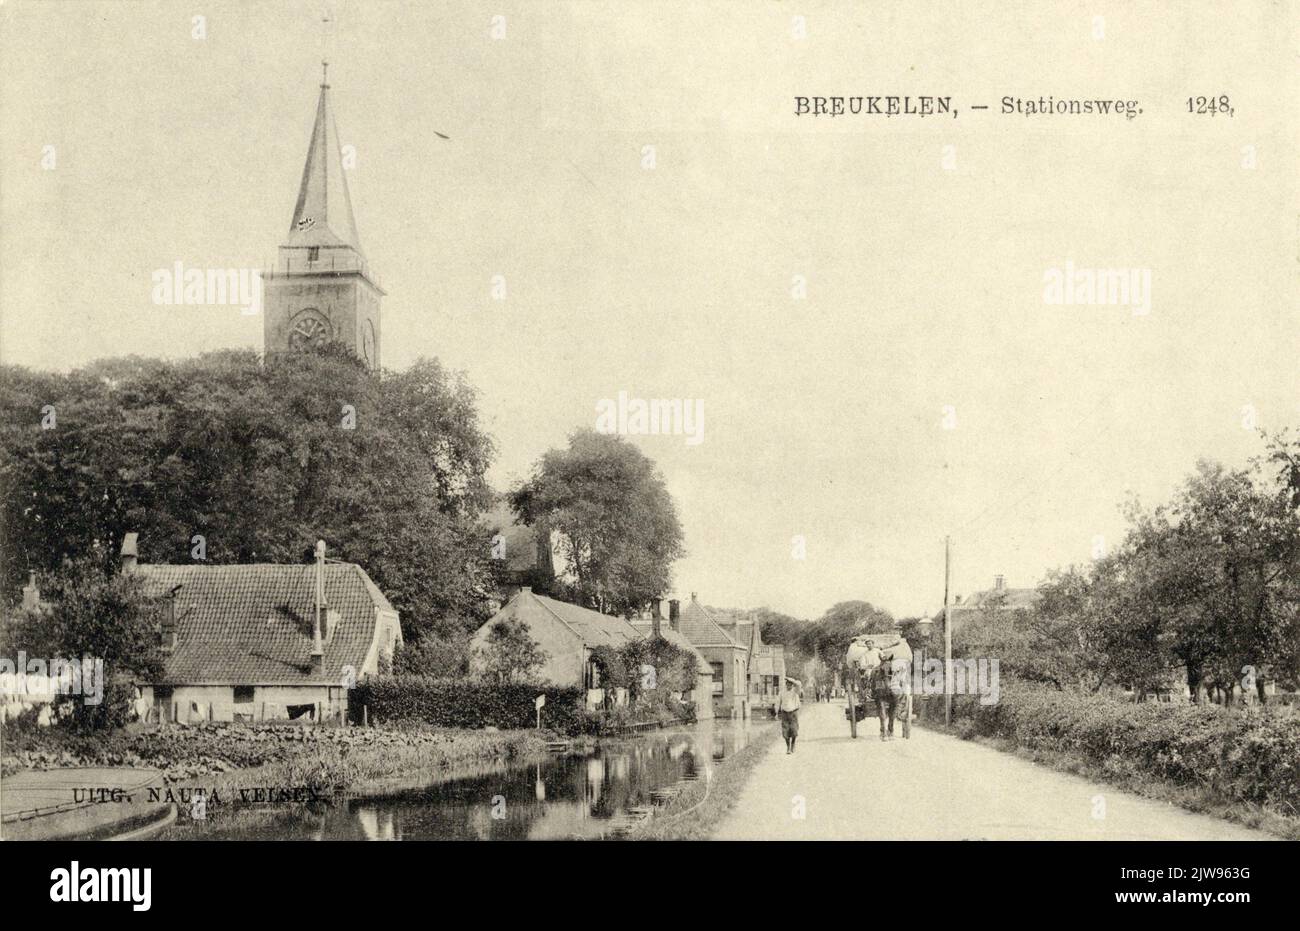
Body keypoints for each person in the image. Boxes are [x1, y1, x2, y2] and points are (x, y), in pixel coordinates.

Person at [868, 650, 901, 741]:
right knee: (881, 710)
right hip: (880, 689)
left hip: (893, 687)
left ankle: (891, 729)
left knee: (894, 704)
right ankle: (883, 731)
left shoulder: (895, 671)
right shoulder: (876, 670)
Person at [777, 676, 802, 754]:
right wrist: (776, 712)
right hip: (784, 713)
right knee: (785, 731)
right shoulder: (782, 692)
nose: (789, 686)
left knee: (794, 730)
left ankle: (793, 744)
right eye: (788, 684)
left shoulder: (795, 691)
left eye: (790, 685)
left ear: (792, 685)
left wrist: (792, 680)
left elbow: (799, 684)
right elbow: (778, 702)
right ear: (786, 684)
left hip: (793, 712)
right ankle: (788, 747)